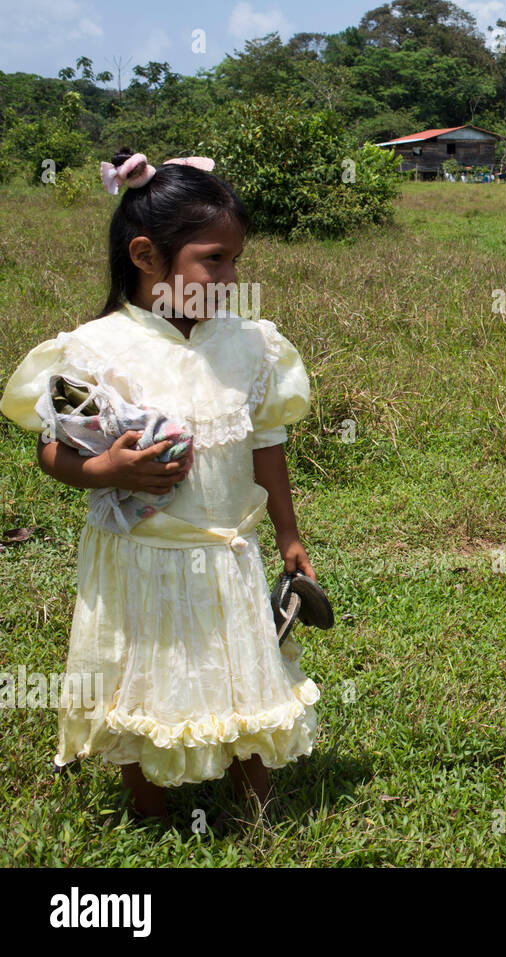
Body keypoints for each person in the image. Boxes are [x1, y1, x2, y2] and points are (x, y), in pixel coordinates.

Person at [0, 149, 320, 819]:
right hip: (137, 558)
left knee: (243, 673)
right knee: (136, 681)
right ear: (147, 257)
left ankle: (256, 807)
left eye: (236, 259)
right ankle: (147, 807)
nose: (231, 277)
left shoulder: (249, 346)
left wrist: (289, 536)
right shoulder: (91, 351)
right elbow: (52, 450)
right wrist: (106, 470)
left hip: (227, 553)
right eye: (214, 259)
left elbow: (267, 442)